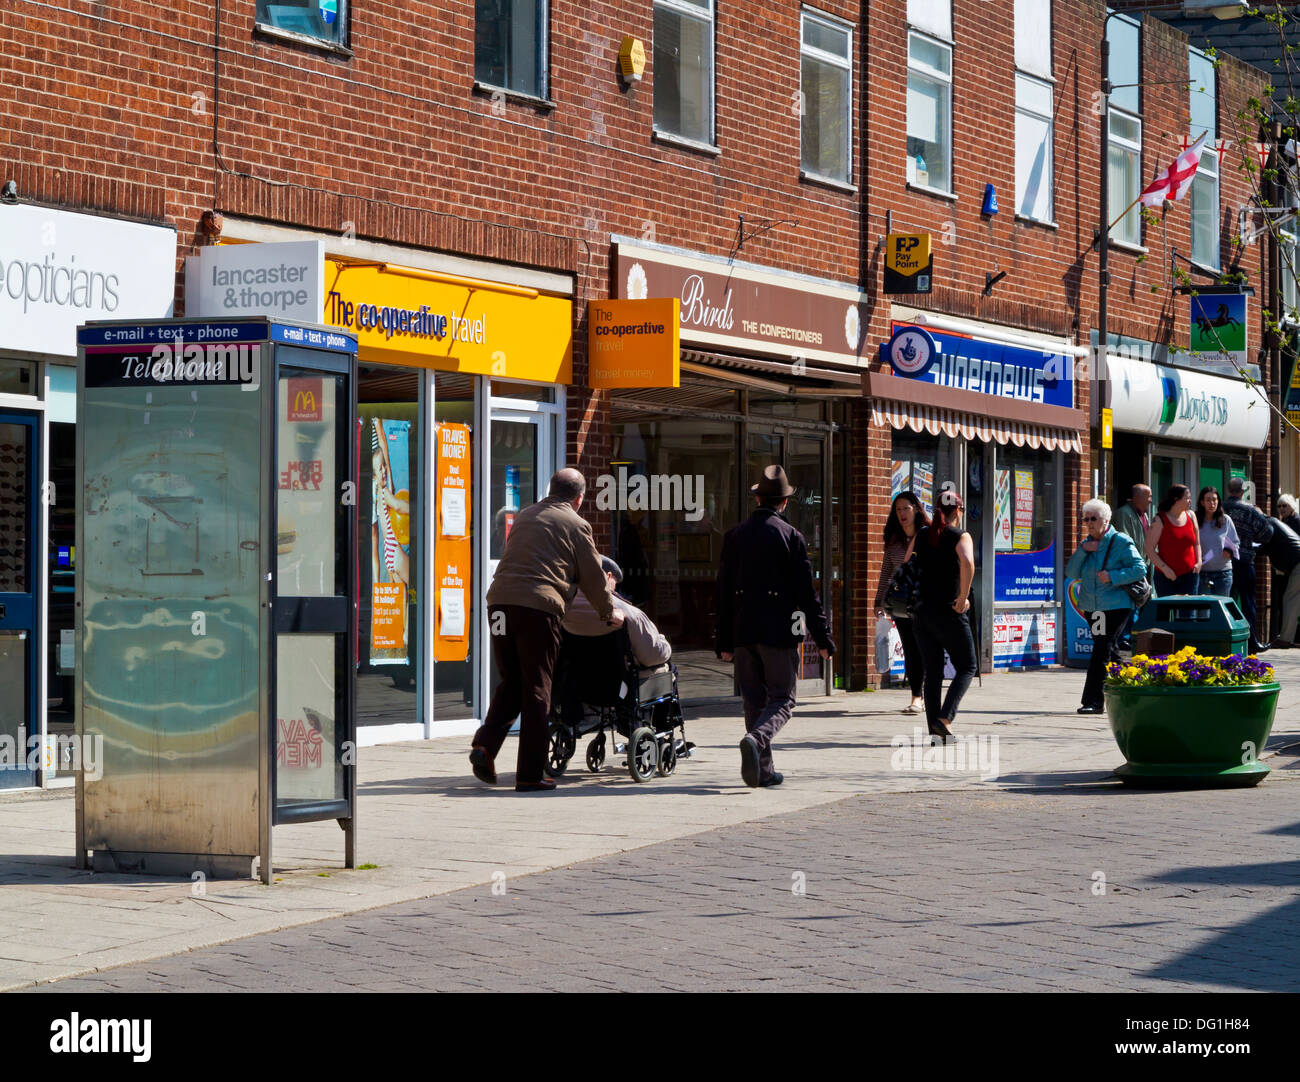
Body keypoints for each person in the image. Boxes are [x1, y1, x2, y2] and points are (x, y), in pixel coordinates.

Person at [469, 468, 624, 793]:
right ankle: (529, 774)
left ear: (551, 489)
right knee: (538, 689)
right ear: (579, 498)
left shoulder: (526, 515)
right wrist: (610, 612)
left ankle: (485, 745)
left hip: (498, 603)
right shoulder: (576, 524)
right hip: (537, 608)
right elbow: (594, 577)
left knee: (512, 682)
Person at [716, 464, 834, 789]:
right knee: (783, 699)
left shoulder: (734, 536)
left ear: (757, 500)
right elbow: (807, 595)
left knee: (754, 700)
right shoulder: (791, 537)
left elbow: (723, 593)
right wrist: (823, 638)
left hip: (743, 632)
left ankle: (763, 771)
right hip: (777, 633)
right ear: (783, 502)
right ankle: (757, 740)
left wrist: (724, 641)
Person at [1065, 499, 1148, 714]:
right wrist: (1084, 549)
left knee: (1101, 649)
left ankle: (1093, 701)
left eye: (1094, 518)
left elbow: (1140, 569)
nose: (1090, 523)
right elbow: (1072, 572)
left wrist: (1113, 576)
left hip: (1116, 605)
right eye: (1086, 519)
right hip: (1094, 608)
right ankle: (1132, 687)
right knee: (1108, 650)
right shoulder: (1087, 543)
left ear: (1106, 520)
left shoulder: (1120, 541)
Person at [910, 483, 977, 741]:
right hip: (949, 612)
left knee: (933, 671)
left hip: (921, 613)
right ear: (957, 510)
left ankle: (936, 732)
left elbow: (906, 563)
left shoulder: (922, 534)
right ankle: (945, 718)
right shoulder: (961, 536)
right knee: (967, 665)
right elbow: (968, 562)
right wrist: (963, 597)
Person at [873, 490, 930, 715]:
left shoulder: (927, 536)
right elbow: (886, 570)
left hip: (924, 602)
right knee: (910, 648)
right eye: (897, 510)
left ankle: (925, 693)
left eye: (905, 508)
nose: (901, 514)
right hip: (900, 603)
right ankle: (917, 697)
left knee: (923, 648)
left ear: (916, 508)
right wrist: (879, 600)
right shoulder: (894, 540)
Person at [563, 555, 671, 669]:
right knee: (669, 669)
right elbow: (651, 656)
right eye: (615, 582)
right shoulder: (627, 612)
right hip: (617, 682)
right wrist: (664, 642)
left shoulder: (559, 608)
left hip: (569, 681)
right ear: (608, 577)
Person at [1223, 477, 1273, 653]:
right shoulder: (1250, 511)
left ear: (1229, 490)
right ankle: (1252, 641)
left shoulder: (1221, 508)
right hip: (1244, 561)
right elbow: (1268, 531)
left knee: (1225, 601)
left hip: (1223, 563)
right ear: (1242, 491)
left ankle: (1226, 638)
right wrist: (1253, 539)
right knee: (1248, 602)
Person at [1145, 484, 1201, 597]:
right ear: (1176, 499)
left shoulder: (1191, 515)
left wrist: (1199, 562)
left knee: (1188, 613)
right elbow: (1149, 550)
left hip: (1190, 575)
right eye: (1187, 498)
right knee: (1165, 613)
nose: (1190, 501)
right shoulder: (1159, 519)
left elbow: (1197, 543)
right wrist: (1165, 569)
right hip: (1165, 577)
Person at [1259, 516, 1300, 648]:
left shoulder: (1266, 524)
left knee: (1291, 599)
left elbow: (1263, 544)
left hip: (1298, 564)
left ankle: (1286, 639)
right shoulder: (1273, 522)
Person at [1196, 486, 1240, 598]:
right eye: (1208, 500)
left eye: (1215, 500)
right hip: (1203, 573)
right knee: (1204, 611)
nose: (1212, 503)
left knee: (1220, 611)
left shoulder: (1226, 520)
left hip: (1223, 573)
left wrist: (1229, 551)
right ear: (1202, 502)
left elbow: (1235, 542)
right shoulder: (1195, 520)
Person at [1112, 483, 1154, 583]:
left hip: (1141, 566)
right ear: (1138, 497)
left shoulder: (1144, 515)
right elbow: (1123, 543)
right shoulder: (1123, 514)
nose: (1151, 500)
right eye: (1149, 497)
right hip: (1130, 568)